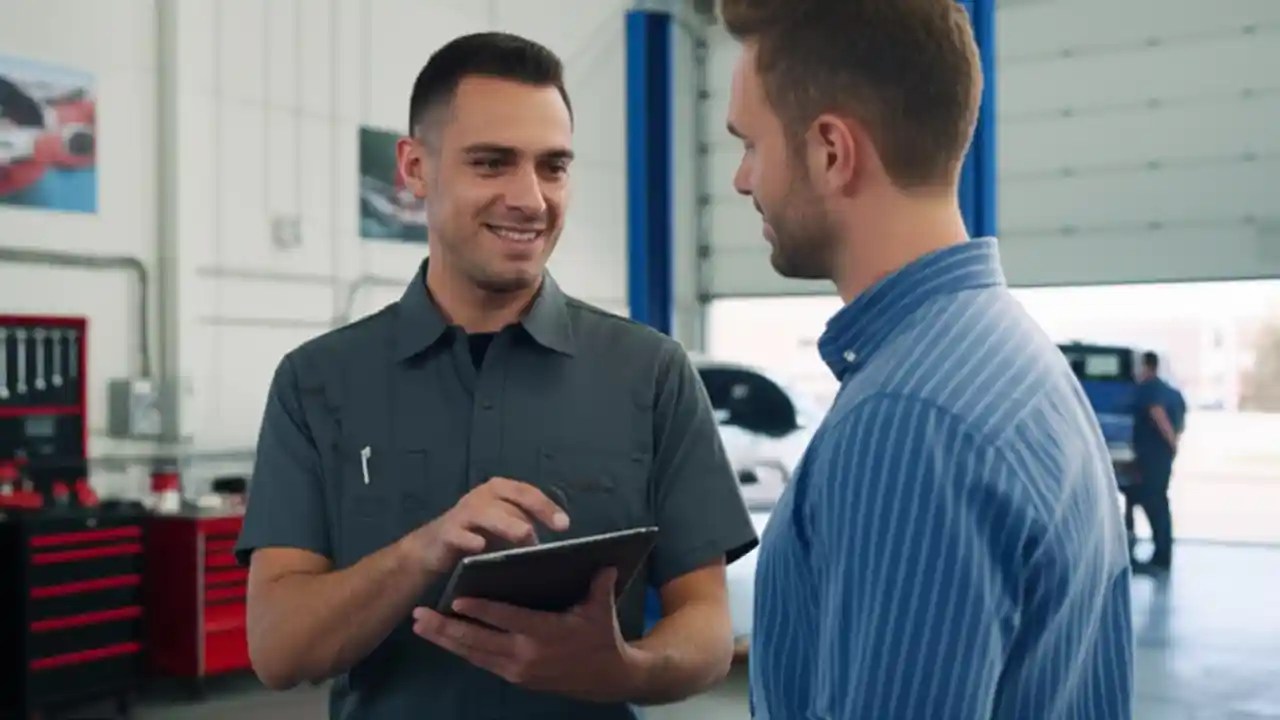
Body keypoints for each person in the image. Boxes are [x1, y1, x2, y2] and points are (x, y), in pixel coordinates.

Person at [234, 31, 758, 720]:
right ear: (415, 168)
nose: (531, 199)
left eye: (554, 167)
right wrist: (421, 552)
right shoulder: (317, 383)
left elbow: (707, 631)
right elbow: (278, 651)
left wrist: (624, 668)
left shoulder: (652, 374)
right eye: (492, 163)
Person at [718, 0, 1134, 718]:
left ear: (829, 151)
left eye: (750, 145)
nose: (742, 180)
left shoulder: (909, 421)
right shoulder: (1002, 351)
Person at [1130, 350, 1186, 572]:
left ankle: (1160, 556)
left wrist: (1170, 441)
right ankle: (1162, 552)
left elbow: (1157, 414)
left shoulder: (1149, 390)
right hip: (1162, 457)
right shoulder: (1172, 392)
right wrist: (1173, 446)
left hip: (1151, 455)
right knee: (1159, 502)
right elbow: (1180, 421)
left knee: (1152, 502)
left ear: (1146, 367)